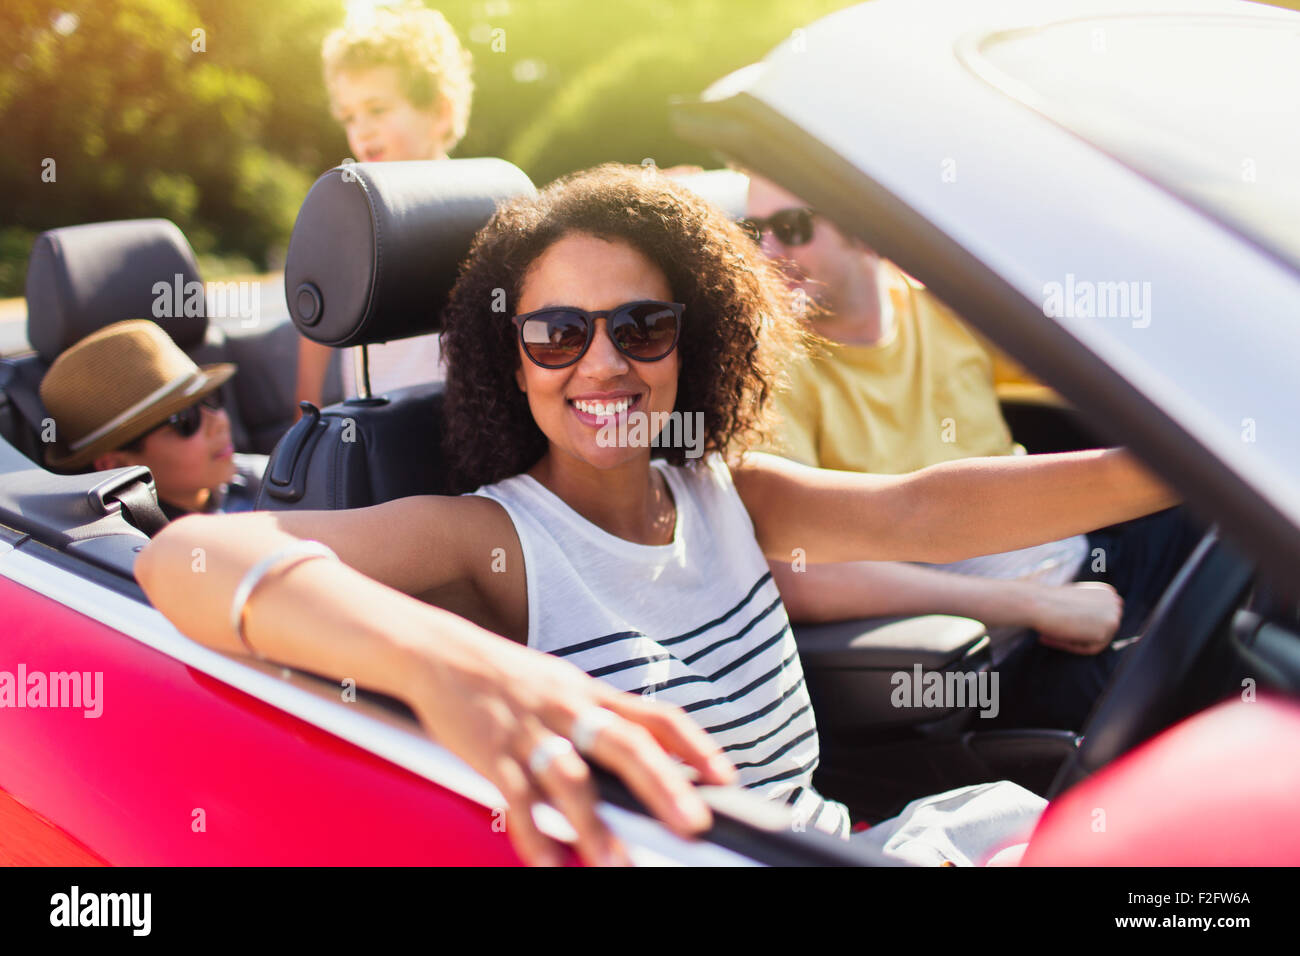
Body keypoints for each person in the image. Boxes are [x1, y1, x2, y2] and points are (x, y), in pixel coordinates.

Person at [136, 166, 1178, 865]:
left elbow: (922, 507)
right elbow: (188, 554)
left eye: (640, 325)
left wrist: (1196, 464)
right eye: (555, 333)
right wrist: (445, 665)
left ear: (693, 340)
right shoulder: (495, 540)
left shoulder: (720, 487)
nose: (600, 362)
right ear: (511, 360)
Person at [743, 172, 1202, 729]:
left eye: (791, 227)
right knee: (1194, 705)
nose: (768, 251)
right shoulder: (771, 372)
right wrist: (1034, 606)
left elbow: (1084, 360)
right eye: (754, 231)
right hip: (994, 648)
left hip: (1087, 561)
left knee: (1237, 532)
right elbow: (797, 574)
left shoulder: (943, 304)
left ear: (863, 229)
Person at [294, 3, 474, 412]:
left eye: (377, 110)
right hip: (372, 427)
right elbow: (316, 325)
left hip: (461, 424)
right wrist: (302, 417)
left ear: (439, 112)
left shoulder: (477, 205)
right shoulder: (350, 216)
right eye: (350, 117)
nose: (363, 131)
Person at [41, 319, 264, 521]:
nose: (219, 422)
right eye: (185, 419)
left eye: (211, 399)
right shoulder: (142, 551)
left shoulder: (265, 479)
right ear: (118, 465)